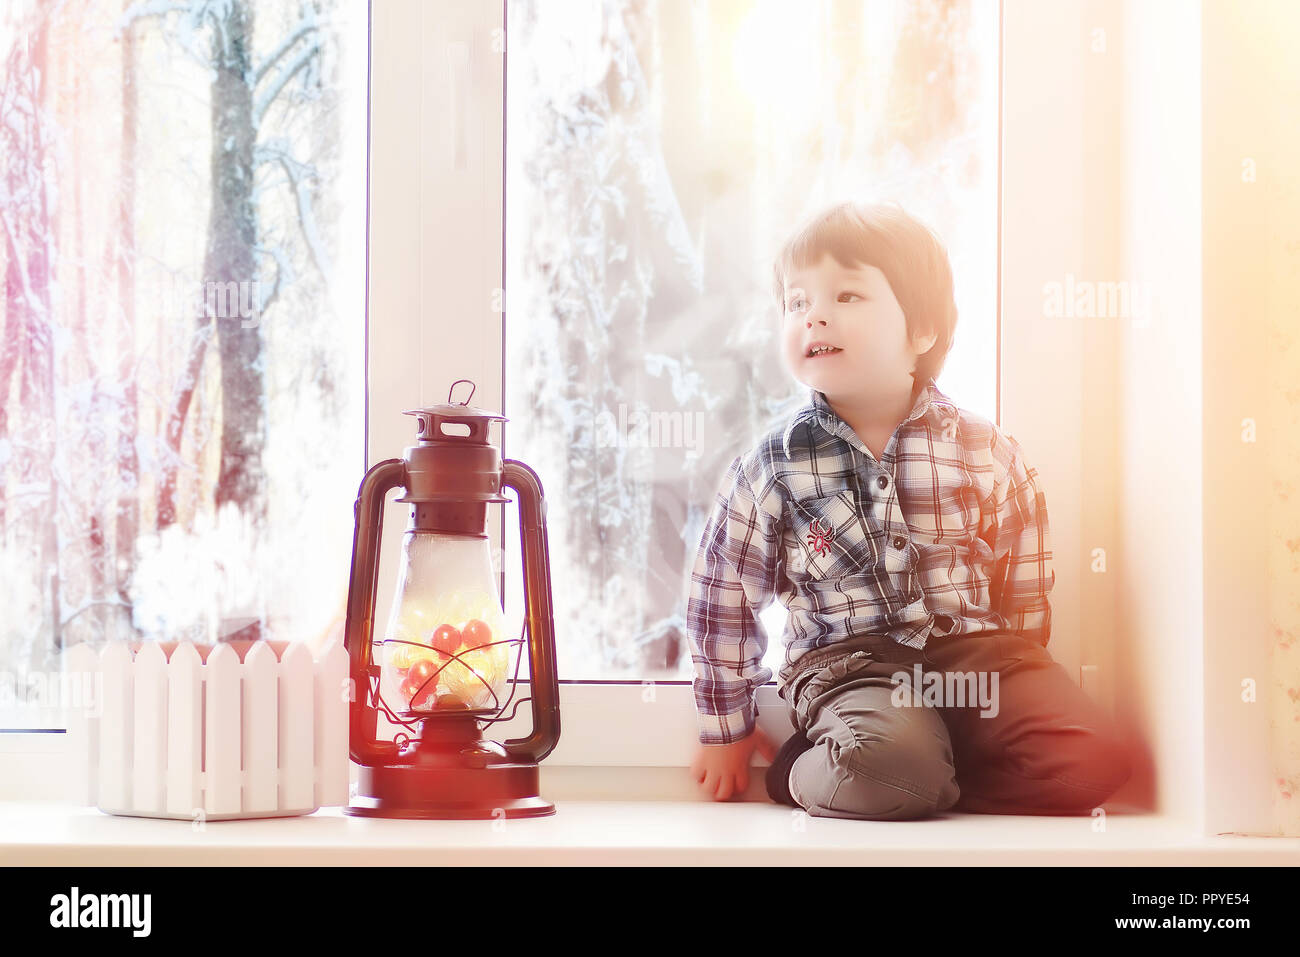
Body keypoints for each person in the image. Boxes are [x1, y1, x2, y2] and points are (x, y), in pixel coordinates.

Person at [685, 200, 1132, 819]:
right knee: (893, 763)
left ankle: (921, 776)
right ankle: (828, 773)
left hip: (978, 660)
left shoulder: (985, 450)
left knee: (1098, 760)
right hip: (854, 669)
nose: (814, 315)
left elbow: (1023, 578)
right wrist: (725, 725)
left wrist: (1024, 681)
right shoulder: (774, 465)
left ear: (921, 330)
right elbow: (722, 597)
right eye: (795, 303)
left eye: (846, 296)